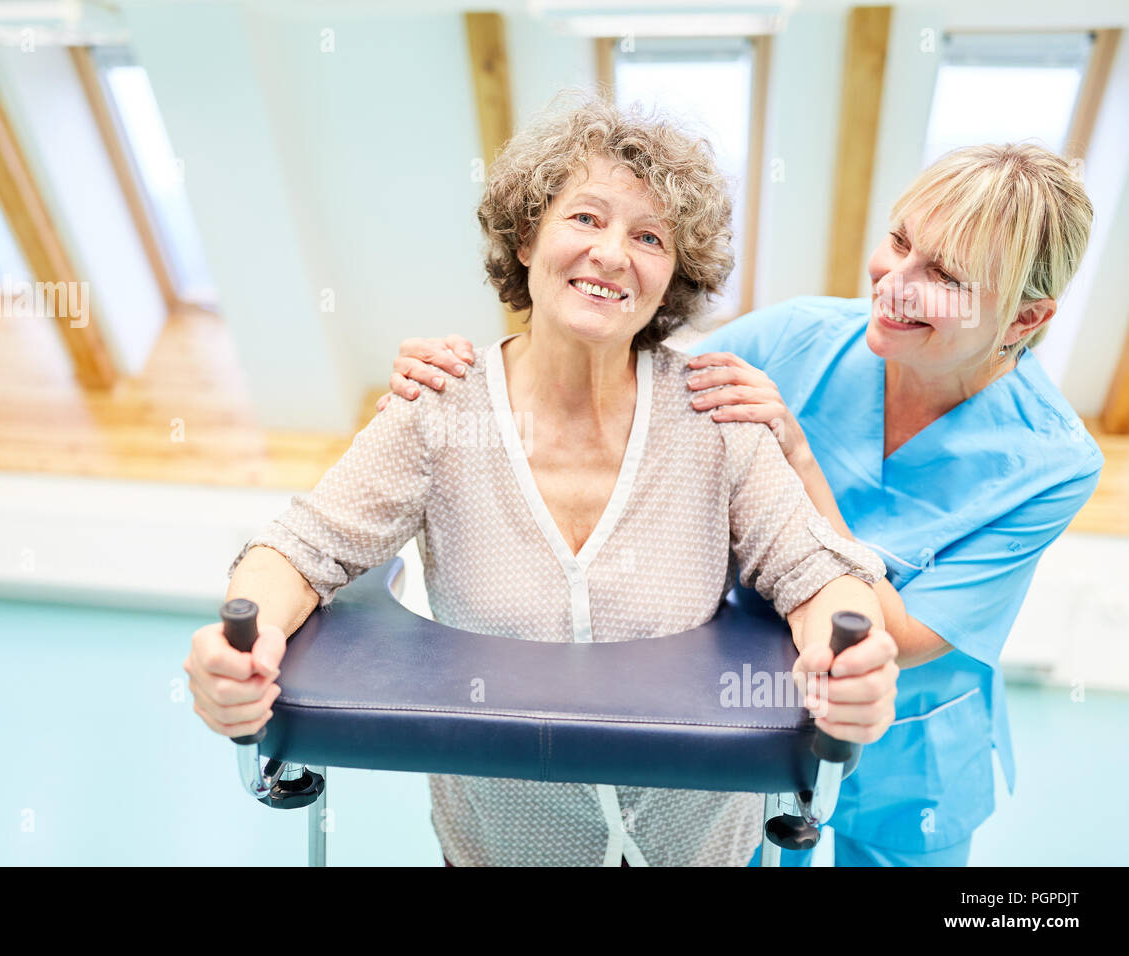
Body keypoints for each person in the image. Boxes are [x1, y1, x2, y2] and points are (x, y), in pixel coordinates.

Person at [185, 93, 901, 867]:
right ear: (526, 239)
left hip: (695, 846)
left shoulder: (714, 417)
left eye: (650, 236)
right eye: (585, 219)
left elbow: (816, 571)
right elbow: (301, 548)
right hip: (500, 846)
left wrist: (851, 660)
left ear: (674, 278)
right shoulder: (439, 410)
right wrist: (243, 640)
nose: (612, 254)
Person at [380, 141, 1104, 866]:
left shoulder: (1051, 462)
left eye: (943, 275)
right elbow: (624, 379)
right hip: (754, 703)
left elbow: (903, 636)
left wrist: (797, 457)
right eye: (899, 240)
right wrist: (470, 374)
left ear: (1022, 320)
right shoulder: (794, 336)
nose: (894, 282)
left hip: (911, 743)